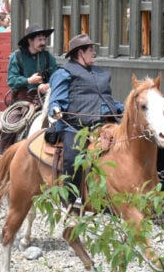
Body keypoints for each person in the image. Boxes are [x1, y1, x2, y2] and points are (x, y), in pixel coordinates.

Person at [46, 34, 125, 199]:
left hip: (104, 123)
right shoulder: (64, 73)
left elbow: (107, 99)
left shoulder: (99, 73)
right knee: (73, 157)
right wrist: (55, 109)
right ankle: (71, 200)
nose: (94, 53)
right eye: (90, 50)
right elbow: (56, 99)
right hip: (75, 126)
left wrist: (127, 109)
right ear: (80, 52)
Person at [7, 24, 58, 101]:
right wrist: (28, 80)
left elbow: (57, 77)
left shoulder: (48, 57)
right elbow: (11, 81)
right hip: (22, 100)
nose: (43, 43)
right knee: (16, 114)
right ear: (30, 41)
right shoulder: (17, 56)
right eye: (40, 40)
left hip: (45, 99)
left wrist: (48, 85)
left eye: (44, 39)